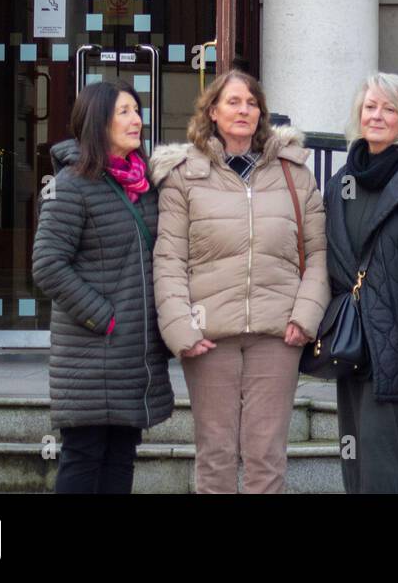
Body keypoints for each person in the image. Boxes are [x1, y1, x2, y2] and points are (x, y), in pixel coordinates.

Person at [150, 69, 329, 493]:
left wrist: (304, 318)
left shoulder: (294, 173)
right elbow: (169, 259)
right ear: (212, 111)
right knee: (215, 456)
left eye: (251, 103)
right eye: (233, 101)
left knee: (267, 456)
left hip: (278, 333)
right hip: (209, 335)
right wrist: (181, 330)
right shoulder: (184, 175)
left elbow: (319, 255)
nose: (243, 110)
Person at [32, 79, 174, 494]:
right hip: (92, 352)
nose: (136, 120)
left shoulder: (145, 186)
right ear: (98, 122)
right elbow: (47, 265)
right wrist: (105, 318)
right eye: (124, 112)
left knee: (121, 454)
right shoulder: (71, 186)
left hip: (134, 354)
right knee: (84, 454)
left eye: (136, 110)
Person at [324, 73, 398, 493]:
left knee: (383, 472)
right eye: (371, 106)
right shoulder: (342, 183)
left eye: (390, 108)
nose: (377, 115)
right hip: (351, 343)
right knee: (354, 469)